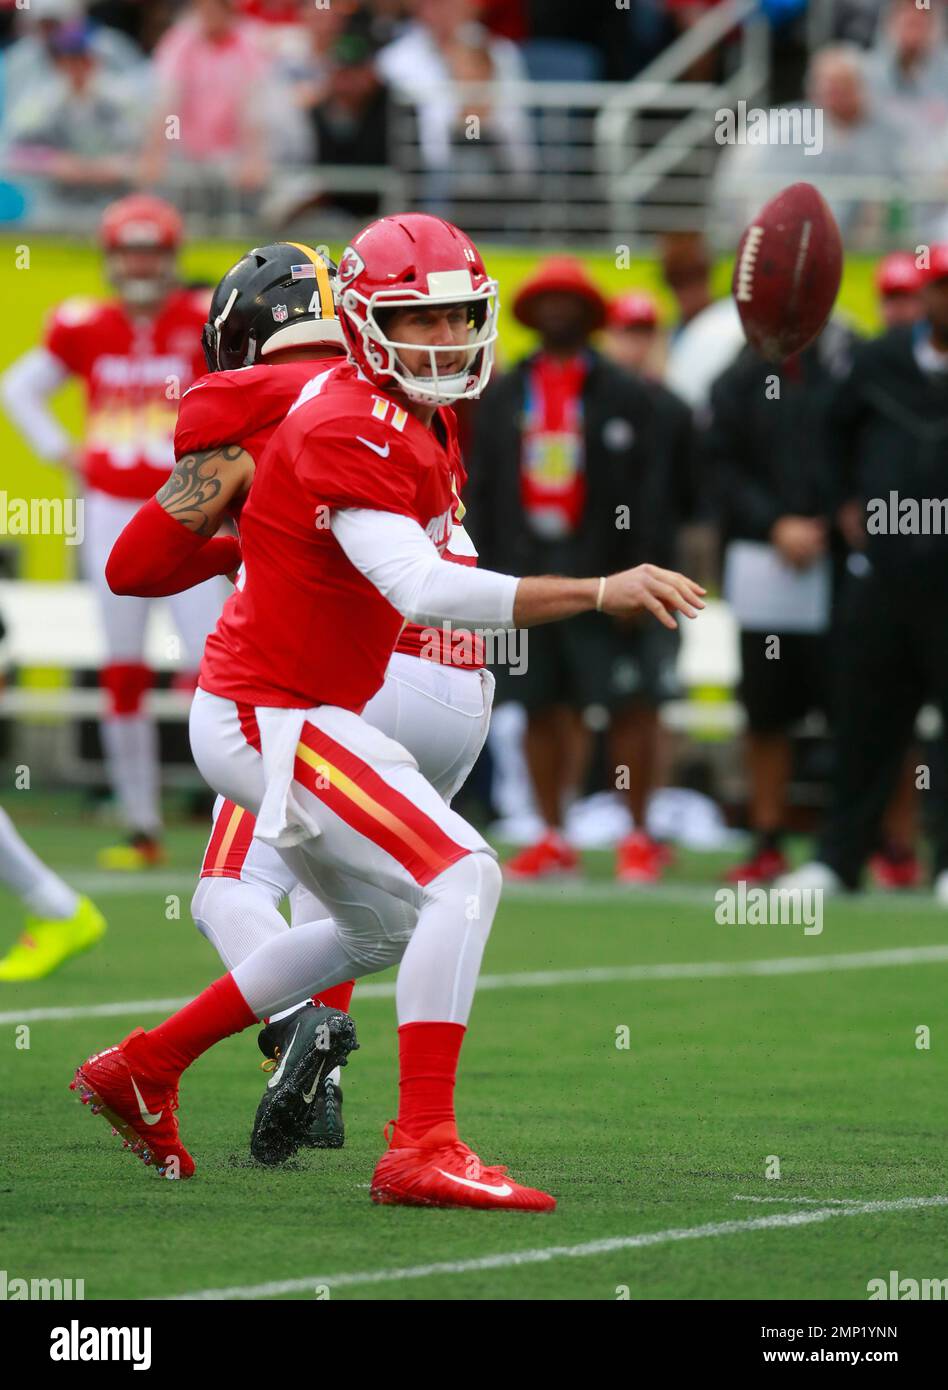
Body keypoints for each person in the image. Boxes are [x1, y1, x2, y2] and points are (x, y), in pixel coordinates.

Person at [70, 213, 704, 1208]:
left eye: (460, 319)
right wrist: (597, 587)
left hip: (325, 699)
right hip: (274, 714)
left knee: (380, 925)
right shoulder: (340, 419)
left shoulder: (394, 406)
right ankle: (420, 1146)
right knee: (465, 874)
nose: (448, 341)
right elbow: (421, 586)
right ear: (360, 324)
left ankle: (144, 1067)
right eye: (423, 322)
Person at [107, 239, 496, 1157]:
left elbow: (134, 567)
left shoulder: (261, 402)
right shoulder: (411, 387)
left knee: (228, 889)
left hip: (349, 673)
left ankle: (297, 1034)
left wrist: (241, 538)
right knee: (356, 905)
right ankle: (344, 1077)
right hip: (463, 681)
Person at [0, 194, 221, 870]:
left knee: (214, 664)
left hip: (191, 501)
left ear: (172, 254)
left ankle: (233, 823)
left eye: (152, 251)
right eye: (131, 251)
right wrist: (62, 452)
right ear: (111, 257)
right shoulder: (85, 325)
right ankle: (141, 823)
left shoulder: (203, 318)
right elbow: (18, 388)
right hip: (111, 507)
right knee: (122, 667)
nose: (141, 264)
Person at [467, 257, 679, 883]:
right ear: (532, 315)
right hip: (528, 571)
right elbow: (484, 489)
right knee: (538, 705)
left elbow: (652, 495)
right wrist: (487, 571)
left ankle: (637, 834)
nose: (559, 312)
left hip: (609, 573)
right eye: (548, 302)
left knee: (629, 703)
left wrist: (639, 576)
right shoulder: (505, 393)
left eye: (572, 302)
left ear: (591, 314)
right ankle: (552, 832)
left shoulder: (627, 394)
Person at [777, 245, 948, 903]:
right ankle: (838, 859)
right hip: (883, 572)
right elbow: (829, 432)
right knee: (864, 718)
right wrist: (843, 501)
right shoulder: (880, 360)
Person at [708, 322, 856, 883]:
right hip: (765, 566)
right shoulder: (739, 379)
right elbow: (719, 466)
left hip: (841, 565)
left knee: (860, 708)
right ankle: (767, 839)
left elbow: (863, 453)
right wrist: (775, 524)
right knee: (766, 710)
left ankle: (875, 846)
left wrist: (832, 523)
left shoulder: (849, 364)